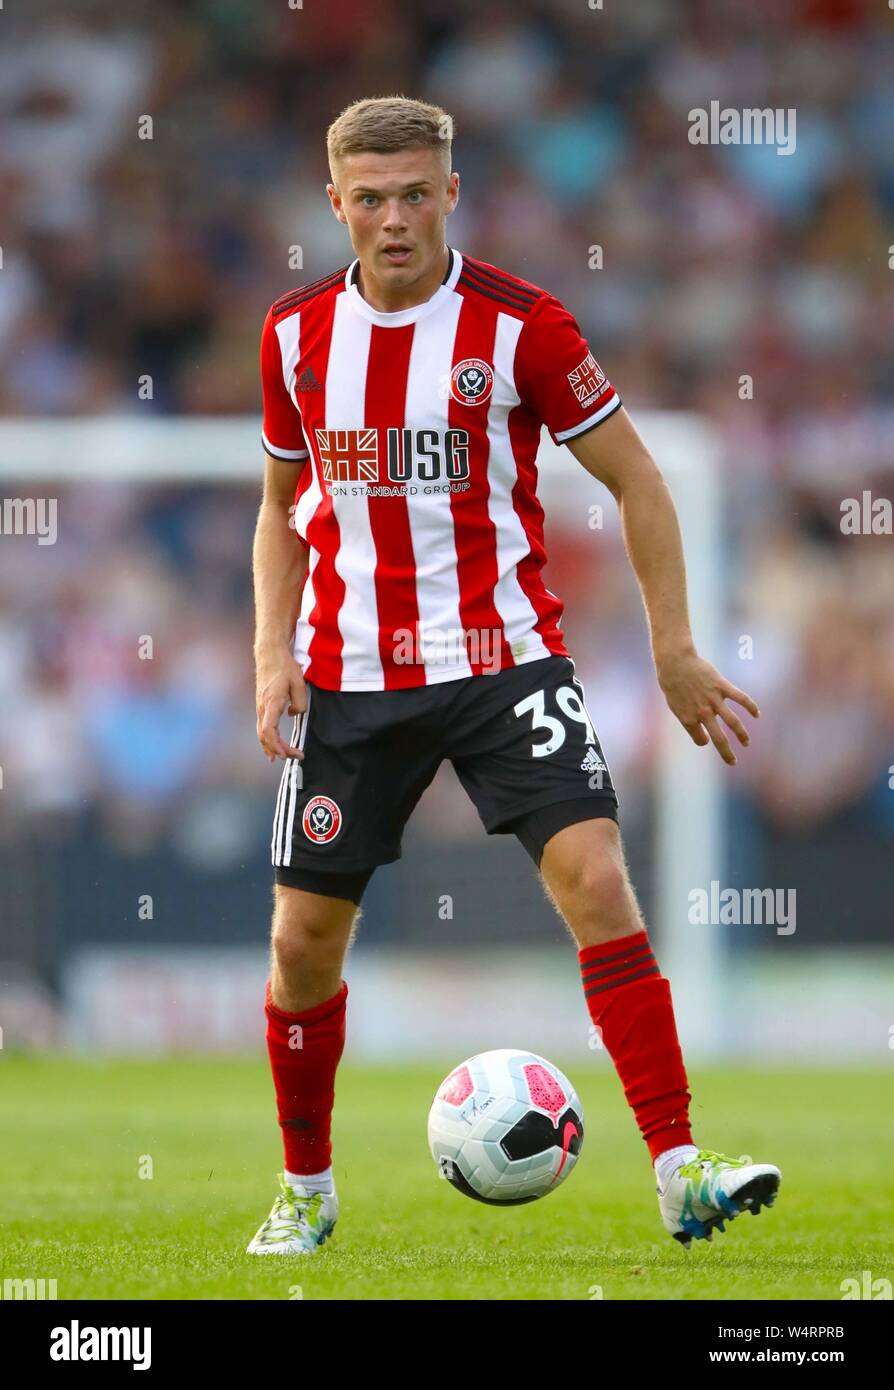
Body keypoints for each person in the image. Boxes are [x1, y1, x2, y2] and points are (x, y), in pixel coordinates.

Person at [248, 96, 781, 1255]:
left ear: (453, 192)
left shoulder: (525, 327)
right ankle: (306, 1190)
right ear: (335, 204)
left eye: (416, 194)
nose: (395, 220)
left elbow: (641, 479)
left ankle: (683, 1172)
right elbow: (281, 511)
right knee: (300, 947)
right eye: (371, 199)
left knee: (596, 878)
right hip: (352, 673)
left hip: (505, 658)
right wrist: (269, 651)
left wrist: (675, 647)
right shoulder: (292, 336)